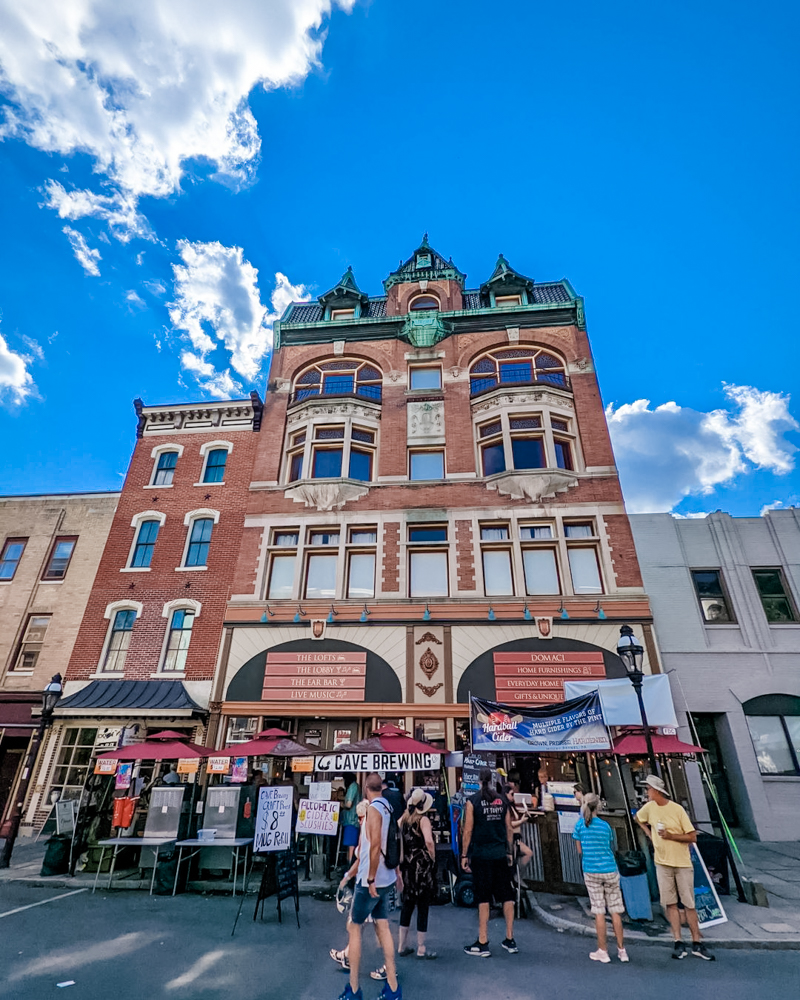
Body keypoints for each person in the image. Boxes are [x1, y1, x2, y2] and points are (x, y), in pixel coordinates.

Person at [636, 774, 714, 961]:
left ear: (656, 791)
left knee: (689, 903)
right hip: (662, 862)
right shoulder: (649, 808)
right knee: (669, 902)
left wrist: (671, 836)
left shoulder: (677, 810)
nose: (646, 792)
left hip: (681, 862)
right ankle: (678, 940)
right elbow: (638, 818)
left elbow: (692, 836)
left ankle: (696, 942)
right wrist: (650, 835)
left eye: (648, 789)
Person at [338, 772, 402, 1000]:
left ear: (366, 788)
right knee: (382, 927)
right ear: (382, 787)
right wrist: (397, 872)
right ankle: (393, 987)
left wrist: (371, 878)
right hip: (387, 879)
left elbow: (375, 846)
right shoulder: (389, 808)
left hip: (371, 881)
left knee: (354, 928)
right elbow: (392, 841)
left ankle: (354, 989)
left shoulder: (374, 810)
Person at [461, 767, 517, 958]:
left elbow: (468, 830)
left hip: (481, 855)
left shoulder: (473, 801)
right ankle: (510, 938)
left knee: (483, 897)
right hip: (500, 853)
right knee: (507, 895)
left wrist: (464, 855)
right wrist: (509, 851)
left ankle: (483, 941)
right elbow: (509, 828)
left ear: (478, 781)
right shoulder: (502, 801)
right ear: (492, 781)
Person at [572, 793, 628, 963]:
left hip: (591, 870)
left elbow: (580, 851)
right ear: (598, 807)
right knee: (616, 910)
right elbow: (609, 845)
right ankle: (622, 950)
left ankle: (603, 950)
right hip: (610, 869)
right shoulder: (605, 826)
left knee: (599, 911)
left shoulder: (580, 826)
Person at [397, 788, 438, 959]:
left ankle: (401, 945)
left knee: (407, 906)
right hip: (422, 867)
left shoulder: (403, 820)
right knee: (423, 906)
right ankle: (421, 947)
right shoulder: (424, 820)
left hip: (407, 866)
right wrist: (433, 857)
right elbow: (428, 841)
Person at [504, 783, 533, 870]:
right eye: (512, 794)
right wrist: (521, 821)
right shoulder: (505, 807)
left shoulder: (512, 806)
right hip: (511, 838)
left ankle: (518, 875)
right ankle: (516, 876)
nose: (513, 796)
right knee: (527, 853)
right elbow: (509, 824)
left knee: (528, 853)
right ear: (506, 794)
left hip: (516, 838)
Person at [340, 773, 361, 863]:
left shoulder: (353, 787)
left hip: (351, 820)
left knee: (351, 846)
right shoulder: (356, 786)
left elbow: (349, 804)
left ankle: (350, 866)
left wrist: (341, 805)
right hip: (352, 820)